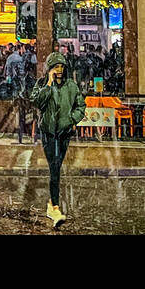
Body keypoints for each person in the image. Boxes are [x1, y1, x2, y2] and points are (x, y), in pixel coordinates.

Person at [31, 51, 86, 227]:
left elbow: (80, 105)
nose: (59, 69)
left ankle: (51, 204)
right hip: (48, 133)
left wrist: (72, 120)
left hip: (64, 133)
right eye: (56, 66)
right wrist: (48, 83)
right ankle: (55, 207)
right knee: (54, 166)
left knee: (57, 166)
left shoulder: (71, 86)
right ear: (49, 68)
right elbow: (37, 102)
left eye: (61, 66)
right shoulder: (42, 84)